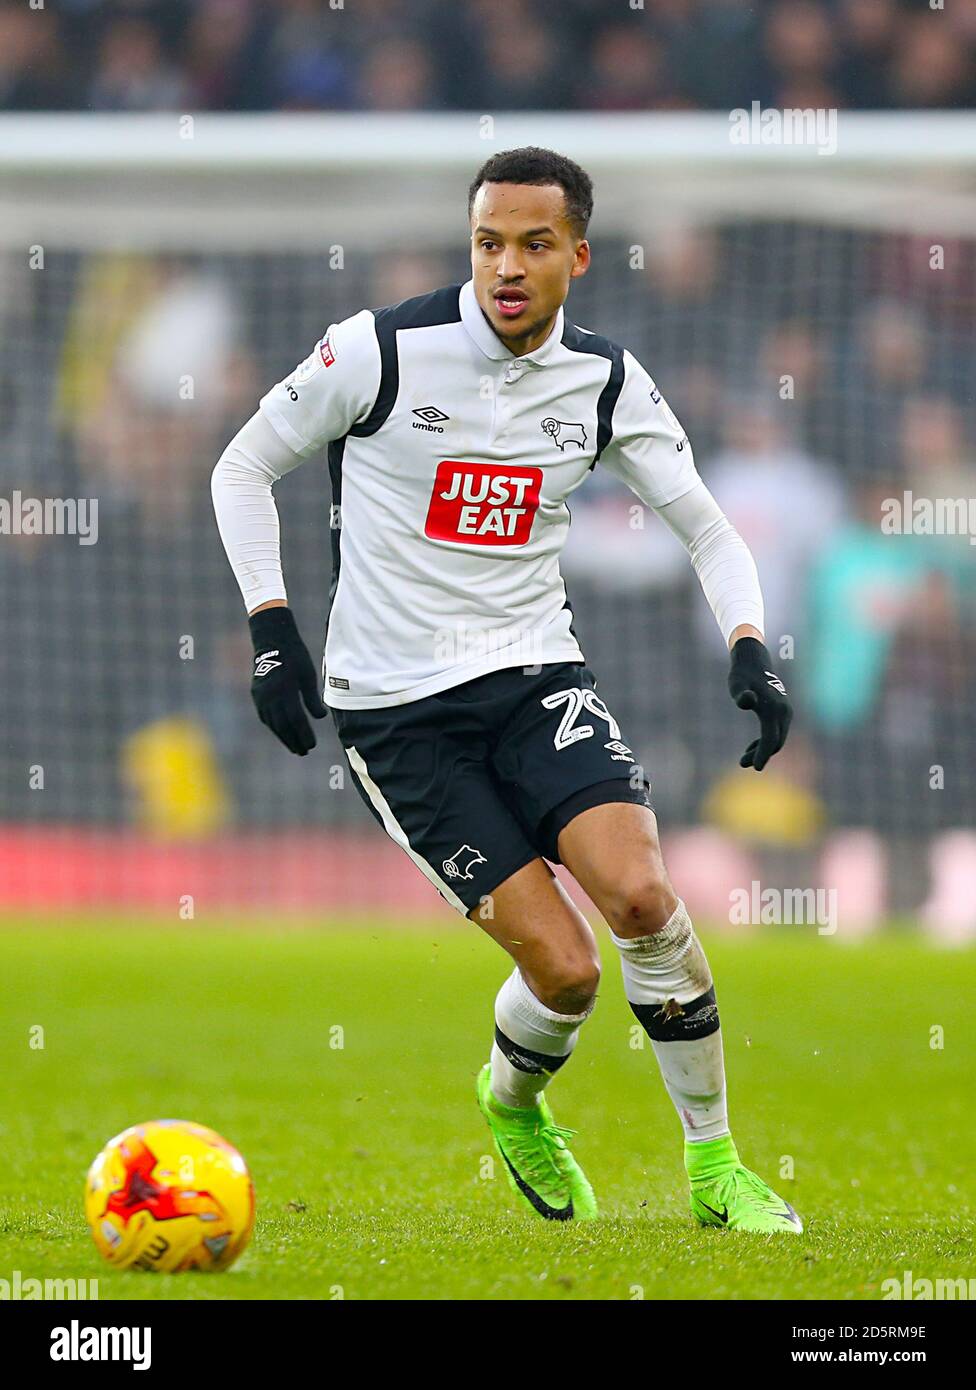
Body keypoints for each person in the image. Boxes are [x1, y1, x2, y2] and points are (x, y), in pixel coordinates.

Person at [211, 147, 799, 1232]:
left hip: (533, 677)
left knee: (638, 899)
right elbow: (242, 465)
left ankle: (715, 1167)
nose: (508, 266)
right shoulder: (377, 350)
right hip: (396, 713)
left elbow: (707, 526)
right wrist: (269, 626)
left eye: (534, 244)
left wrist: (751, 643)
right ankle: (513, 1099)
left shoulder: (606, 379)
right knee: (568, 972)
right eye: (489, 243)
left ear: (577, 254)